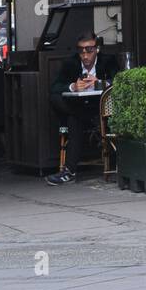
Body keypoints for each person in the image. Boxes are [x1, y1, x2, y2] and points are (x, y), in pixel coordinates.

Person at [46, 33, 118, 185]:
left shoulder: (108, 61)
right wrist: (73, 86)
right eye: (81, 51)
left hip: (100, 108)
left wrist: (100, 83)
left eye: (89, 50)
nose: (85, 55)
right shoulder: (71, 63)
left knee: (75, 119)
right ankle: (69, 172)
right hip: (78, 107)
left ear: (97, 49)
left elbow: (119, 80)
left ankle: (69, 171)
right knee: (63, 105)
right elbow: (55, 87)